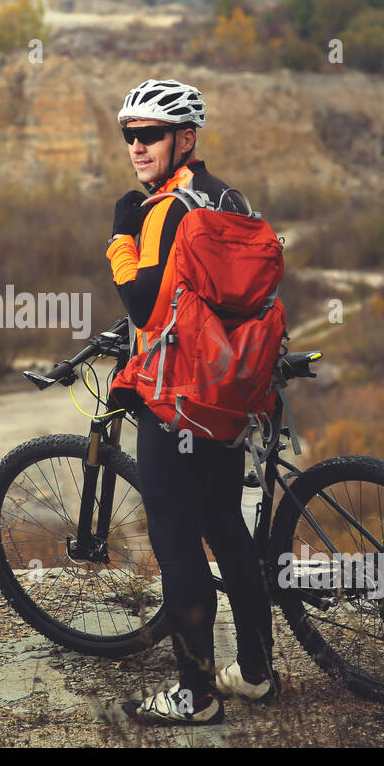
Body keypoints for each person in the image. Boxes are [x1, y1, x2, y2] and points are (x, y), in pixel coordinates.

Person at [105, 78, 280, 726]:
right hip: (232, 392)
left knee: (176, 543)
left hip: (176, 401)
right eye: (129, 135)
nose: (136, 146)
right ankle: (257, 674)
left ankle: (196, 694)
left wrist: (121, 235)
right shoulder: (231, 198)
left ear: (186, 139)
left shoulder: (162, 211)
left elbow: (144, 304)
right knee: (227, 530)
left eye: (149, 135)